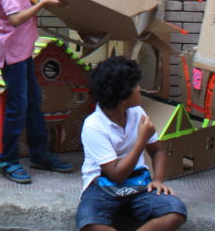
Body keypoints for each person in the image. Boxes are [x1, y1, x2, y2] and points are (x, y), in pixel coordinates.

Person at [0, 0, 79, 183]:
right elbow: (16, 17)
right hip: (11, 51)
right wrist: (43, 3)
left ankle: (39, 154)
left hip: (24, 48)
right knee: (18, 107)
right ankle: (7, 161)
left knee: (33, 101)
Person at [77, 56, 187, 231]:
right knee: (90, 224)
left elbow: (158, 151)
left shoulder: (137, 112)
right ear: (123, 97)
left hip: (138, 183)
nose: (139, 89)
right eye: (135, 86)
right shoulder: (94, 125)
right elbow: (116, 175)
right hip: (101, 186)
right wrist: (141, 140)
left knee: (175, 212)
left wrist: (158, 180)